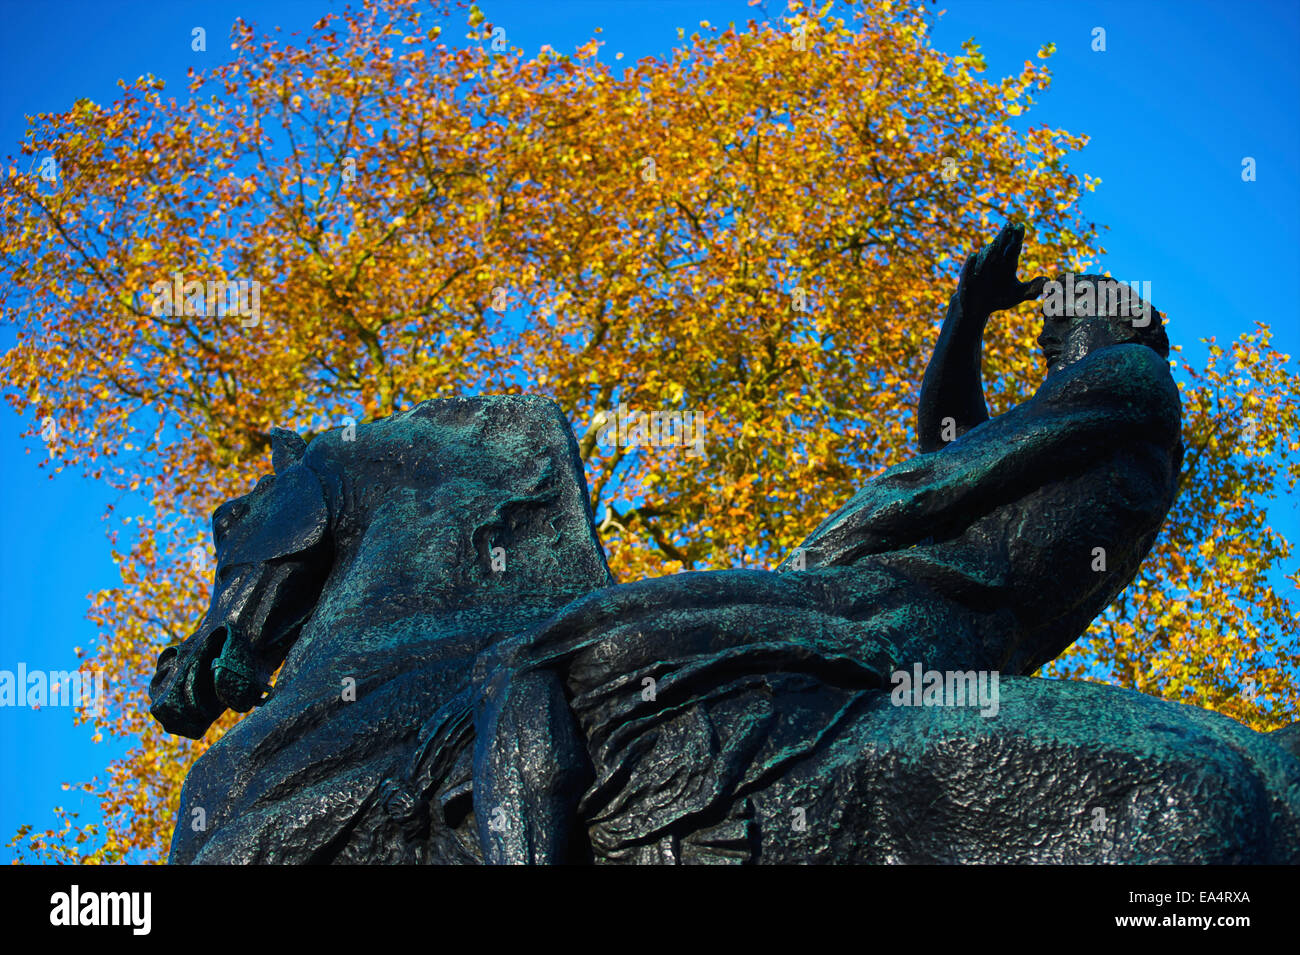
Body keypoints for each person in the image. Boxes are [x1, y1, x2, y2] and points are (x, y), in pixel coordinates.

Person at [449, 222, 1184, 863]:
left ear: (1119, 325)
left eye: (1063, 322)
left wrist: (807, 567)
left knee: (533, 658)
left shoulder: (1129, 373)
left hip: (886, 609)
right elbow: (954, 438)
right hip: (926, 626)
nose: (1047, 336)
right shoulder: (1120, 419)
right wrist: (967, 318)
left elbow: (938, 479)